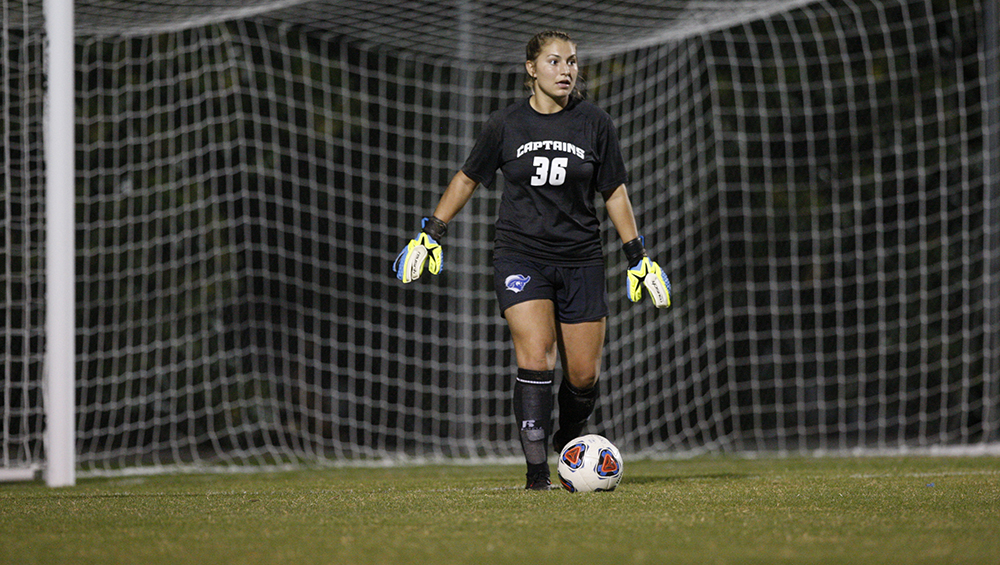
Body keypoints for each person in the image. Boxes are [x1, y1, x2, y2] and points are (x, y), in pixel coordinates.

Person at [394, 30, 670, 490]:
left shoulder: (594, 122)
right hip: (521, 254)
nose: (566, 70)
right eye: (556, 61)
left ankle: (568, 440)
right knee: (536, 356)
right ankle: (537, 475)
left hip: (582, 258)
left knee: (583, 376)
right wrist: (432, 232)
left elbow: (614, 191)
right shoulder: (506, 125)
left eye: (573, 62)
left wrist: (638, 256)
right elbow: (467, 178)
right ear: (531, 69)